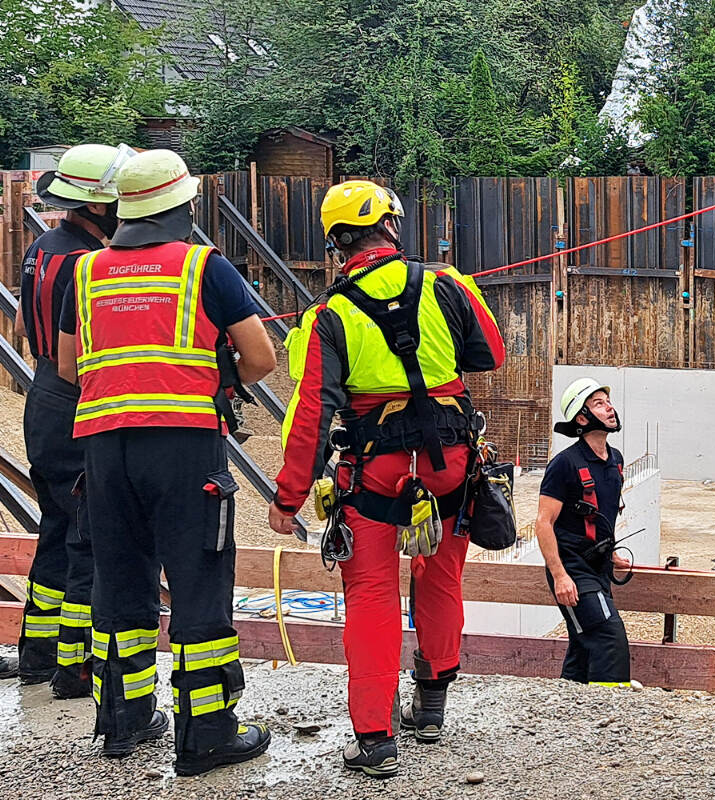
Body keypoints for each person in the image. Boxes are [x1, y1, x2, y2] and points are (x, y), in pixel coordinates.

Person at [267, 179, 505, 777]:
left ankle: (375, 740)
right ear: (391, 227)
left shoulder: (330, 315)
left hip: (375, 472)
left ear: (337, 243)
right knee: (441, 576)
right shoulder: (447, 284)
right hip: (449, 466)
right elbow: (490, 355)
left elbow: (310, 413)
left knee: (370, 594)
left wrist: (289, 494)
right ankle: (430, 708)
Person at [57, 149, 277, 772]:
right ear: (182, 206)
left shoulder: (87, 271)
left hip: (102, 448)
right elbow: (260, 359)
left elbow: (71, 367)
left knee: (119, 581)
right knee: (199, 581)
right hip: (183, 447)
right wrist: (210, 376)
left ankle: (123, 723)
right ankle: (205, 733)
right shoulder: (204, 266)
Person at [1, 144, 129, 697]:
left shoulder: (44, 247)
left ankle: (37, 652)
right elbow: (81, 353)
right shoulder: (86, 262)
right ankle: (74, 668)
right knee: (87, 538)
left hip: (44, 397)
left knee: (55, 530)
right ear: (99, 205)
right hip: (75, 397)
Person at [535, 378, 631, 687]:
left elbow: (602, 515)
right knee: (607, 633)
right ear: (581, 417)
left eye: (608, 401)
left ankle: (571, 706)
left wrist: (611, 552)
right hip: (572, 567)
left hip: (598, 567)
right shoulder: (564, 464)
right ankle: (610, 706)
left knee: (583, 641)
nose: (610, 408)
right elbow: (543, 523)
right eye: (600, 404)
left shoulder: (615, 460)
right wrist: (560, 575)